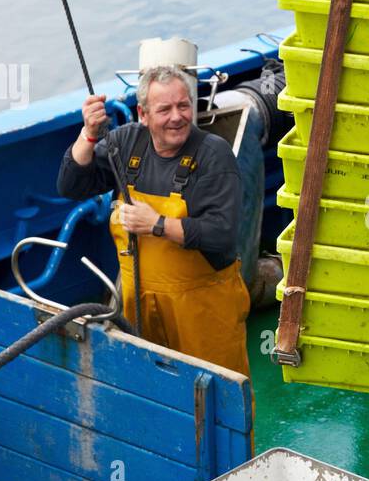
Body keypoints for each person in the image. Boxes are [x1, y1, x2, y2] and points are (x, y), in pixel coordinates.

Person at [57, 66, 252, 380]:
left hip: (202, 309)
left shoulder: (214, 156)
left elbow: (223, 234)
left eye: (184, 106)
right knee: (150, 391)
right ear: (143, 114)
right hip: (139, 303)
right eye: (165, 109)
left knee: (217, 397)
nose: (177, 116)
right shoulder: (127, 143)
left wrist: (157, 224)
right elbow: (71, 186)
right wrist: (89, 135)